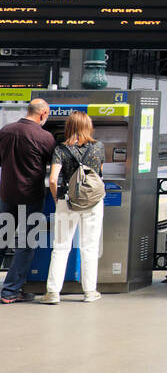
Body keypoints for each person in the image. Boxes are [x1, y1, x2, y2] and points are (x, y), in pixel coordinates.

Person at [39, 110, 106, 304]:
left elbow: (53, 179)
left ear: (69, 128)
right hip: (93, 202)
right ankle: (90, 292)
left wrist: (57, 197)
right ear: (88, 127)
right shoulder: (98, 147)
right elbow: (99, 173)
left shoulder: (61, 149)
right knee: (90, 247)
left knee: (60, 247)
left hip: (67, 201)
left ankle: (52, 292)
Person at [0, 99, 55, 304]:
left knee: (2, 239)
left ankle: (9, 290)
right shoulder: (44, 136)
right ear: (43, 114)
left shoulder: (6, 130)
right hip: (31, 195)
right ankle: (10, 291)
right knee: (25, 243)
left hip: (7, 194)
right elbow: (53, 163)